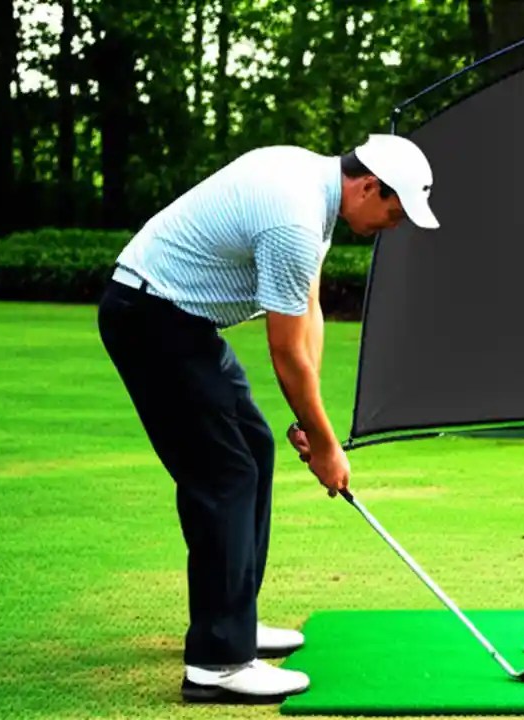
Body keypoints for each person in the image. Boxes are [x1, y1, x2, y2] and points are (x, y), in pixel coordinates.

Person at [96, 134, 440, 704]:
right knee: (224, 475)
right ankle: (217, 663)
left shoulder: (315, 190)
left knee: (253, 448)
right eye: (393, 210)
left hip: (179, 320)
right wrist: (328, 447)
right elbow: (284, 353)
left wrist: (313, 423)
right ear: (369, 187)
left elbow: (309, 312)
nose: (393, 224)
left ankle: (235, 621)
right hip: (151, 320)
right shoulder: (296, 220)